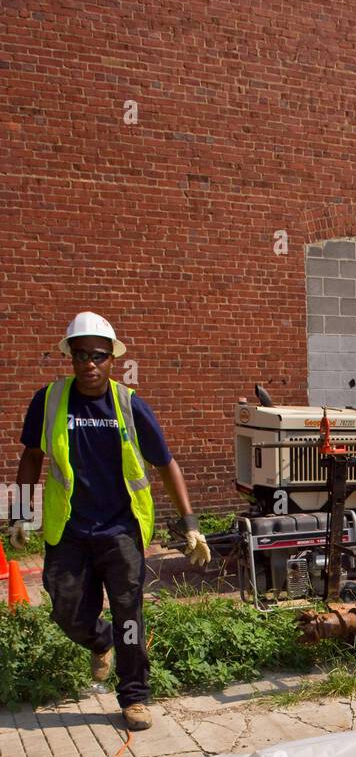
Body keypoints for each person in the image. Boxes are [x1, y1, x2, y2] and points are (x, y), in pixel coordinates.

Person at [8, 312, 212, 731]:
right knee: (64, 610)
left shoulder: (130, 404)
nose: (89, 364)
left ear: (112, 359)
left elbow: (166, 463)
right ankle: (100, 641)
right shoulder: (47, 400)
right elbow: (30, 456)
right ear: (69, 356)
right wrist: (16, 511)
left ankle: (134, 696)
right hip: (68, 529)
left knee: (130, 616)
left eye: (98, 356)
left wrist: (191, 522)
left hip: (121, 530)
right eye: (80, 354)